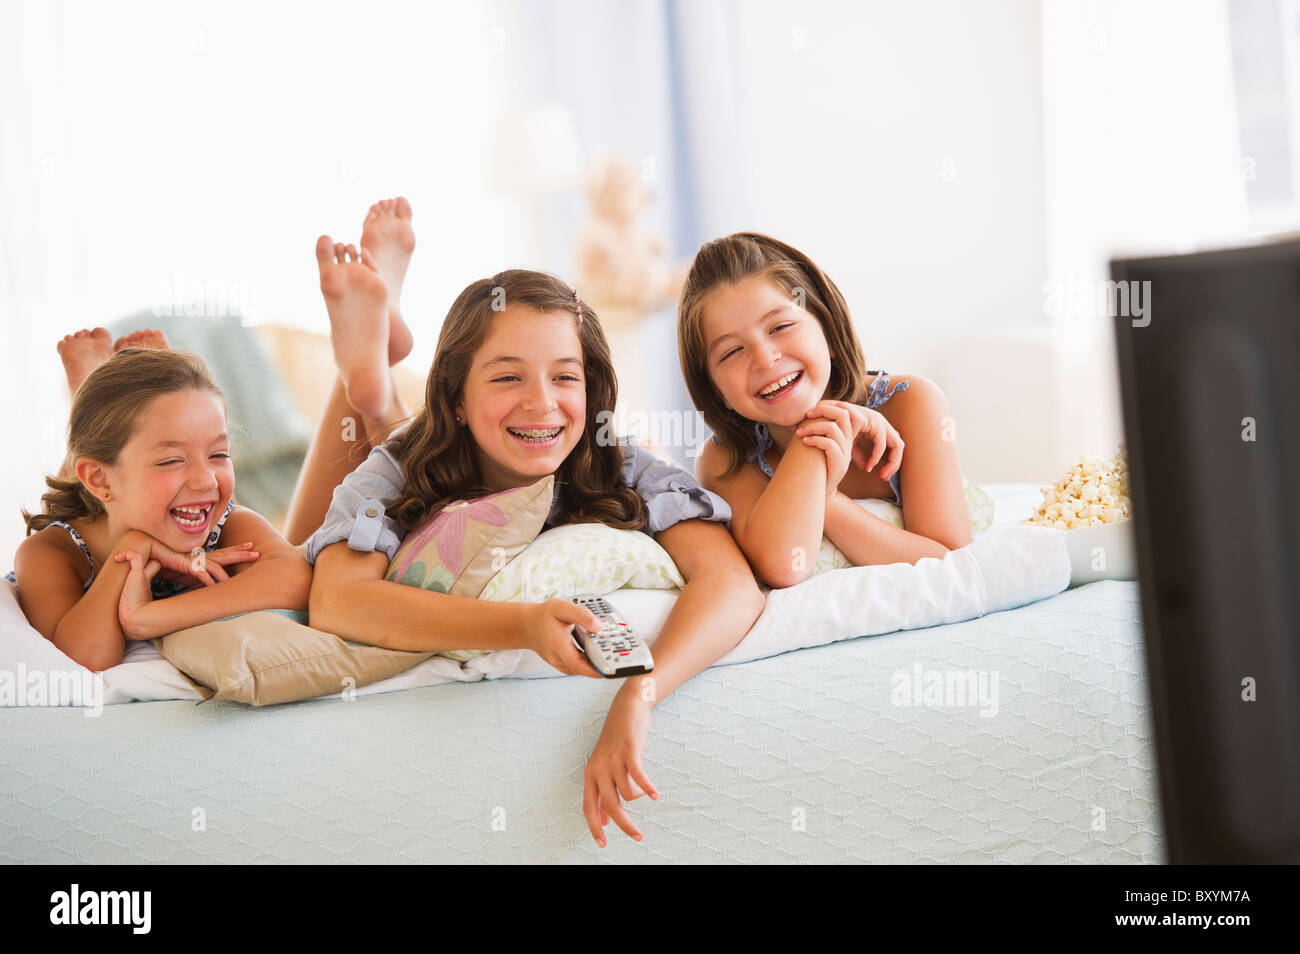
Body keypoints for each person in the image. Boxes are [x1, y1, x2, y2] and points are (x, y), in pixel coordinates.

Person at [288, 199, 765, 848]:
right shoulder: (401, 467)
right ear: (456, 396)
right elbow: (336, 600)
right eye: (508, 376)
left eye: (564, 377)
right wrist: (520, 625)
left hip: (430, 431)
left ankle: (375, 383)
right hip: (408, 445)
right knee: (294, 556)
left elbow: (733, 584)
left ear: (592, 390)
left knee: (382, 436)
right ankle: (367, 385)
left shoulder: (618, 464)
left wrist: (640, 695)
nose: (542, 403)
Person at [677, 232, 972, 588]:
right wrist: (813, 449)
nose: (764, 358)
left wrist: (829, 501)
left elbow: (952, 565)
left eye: (781, 326)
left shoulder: (910, 403)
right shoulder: (726, 459)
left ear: (829, 331)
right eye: (731, 352)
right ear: (716, 390)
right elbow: (783, 566)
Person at [7, 338, 312, 672]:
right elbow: (86, 657)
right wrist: (132, 551)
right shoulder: (52, 552)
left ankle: (116, 377)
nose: (207, 480)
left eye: (219, 454)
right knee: (124, 465)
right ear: (101, 480)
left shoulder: (226, 522)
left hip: (144, 501)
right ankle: (88, 379)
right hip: (101, 507)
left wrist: (148, 617)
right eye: (170, 460)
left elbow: (296, 579)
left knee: (193, 494)